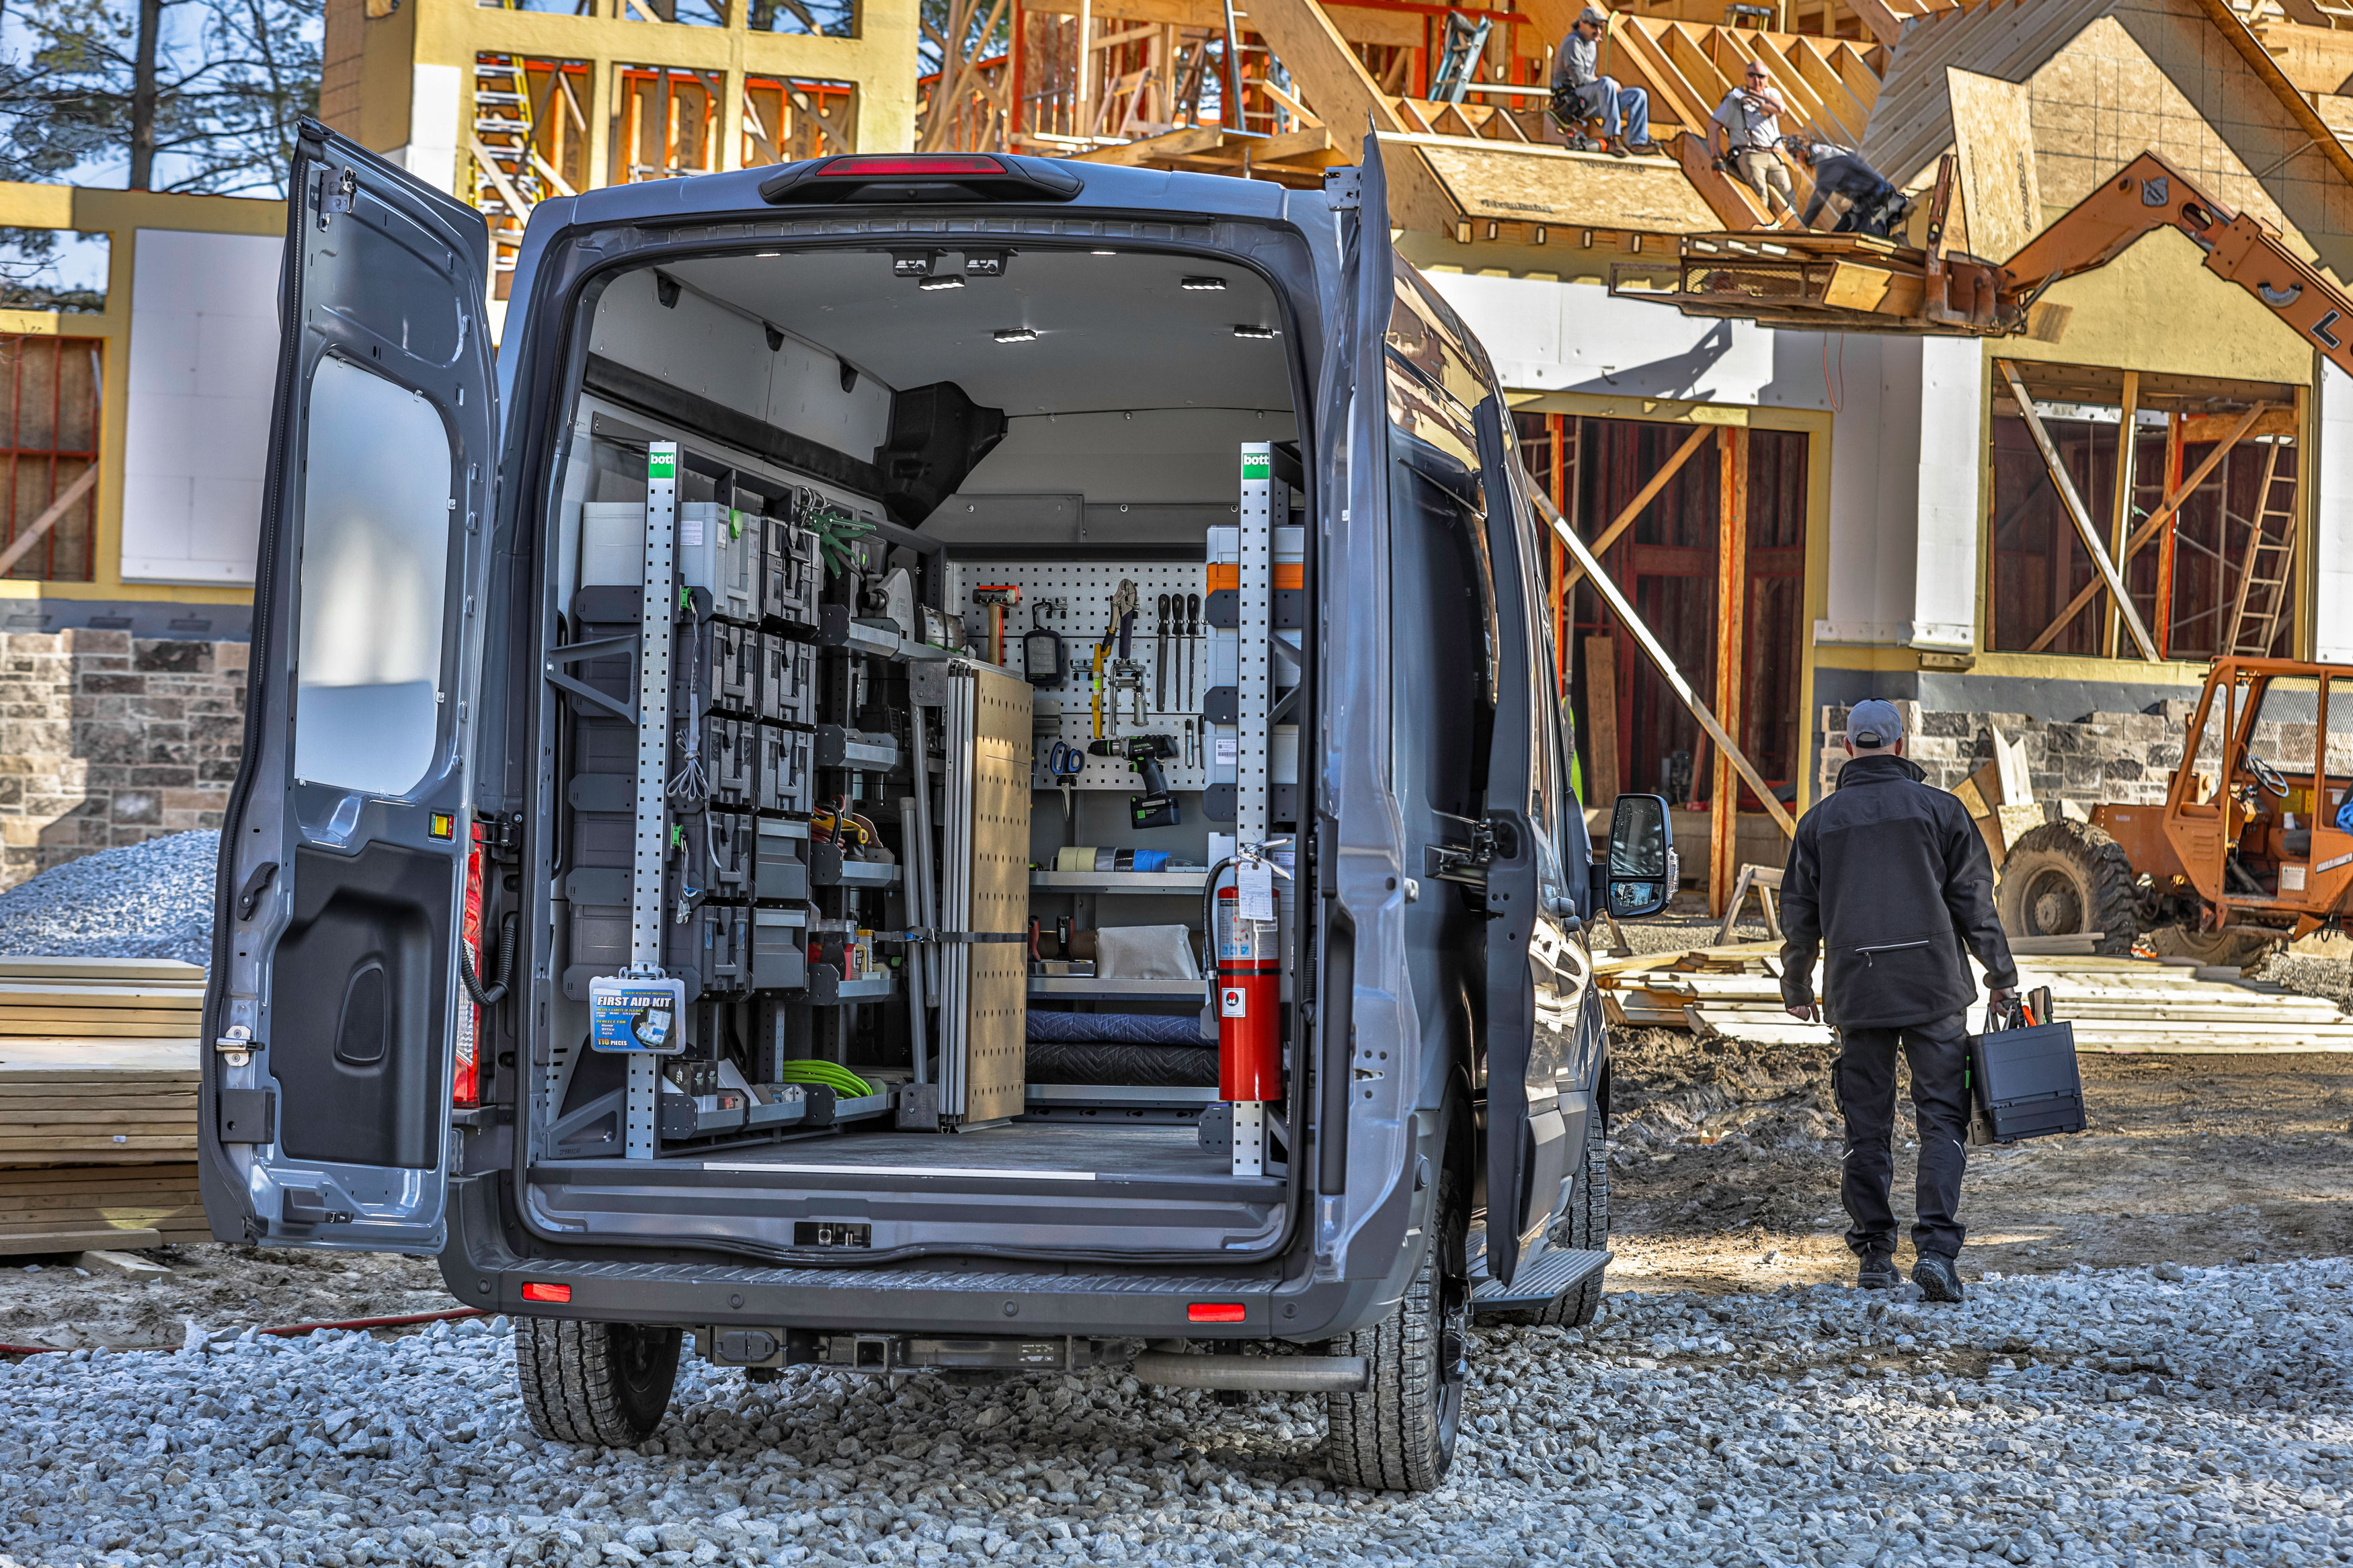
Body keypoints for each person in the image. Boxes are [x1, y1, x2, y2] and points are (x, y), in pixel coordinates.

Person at [1779, 700, 2018, 1304]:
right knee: (1942, 1117)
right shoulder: (1943, 811)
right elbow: (1974, 900)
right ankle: (1936, 1251)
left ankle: (1875, 1255)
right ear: (1901, 742)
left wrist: (1798, 985)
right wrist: (2000, 972)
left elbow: (1799, 918)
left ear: (1848, 745)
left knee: (1867, 1126)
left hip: (1857, 994)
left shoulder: (1818, 823)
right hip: (1935, 988)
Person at [1549, 7, 1654, 158]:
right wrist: (1607, 84)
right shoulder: (1572, 42)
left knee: (1639, 95)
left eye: (1600, 27)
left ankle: (1638, 142)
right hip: (1570, 101)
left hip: (1589, 100)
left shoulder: (1592, 43)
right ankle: (1612, 139)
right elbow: (1579, 80)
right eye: (1594, 26)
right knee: (1606, 83)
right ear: (1581, 24)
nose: (1598, 31)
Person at [1708, 62, 1796, 221]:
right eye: (1752, 75)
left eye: (1761, 76)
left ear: (1767, 78)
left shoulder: (1771, 94)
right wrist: (1716, 156)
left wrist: (1758, 96)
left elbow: (1781, 109)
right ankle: (1760, 235)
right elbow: (1714, 125)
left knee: (1789, 197)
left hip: (1773, 155)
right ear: (1746, 77)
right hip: (1749, 154)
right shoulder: (1734, 99)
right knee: (1760, 195)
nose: (1756, 80)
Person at [1784, 138, 1913, 237]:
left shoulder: (1826, 162)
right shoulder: (1832, 151)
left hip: (1876, 202)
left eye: (1795, 156)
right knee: (1837, 236)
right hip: (1869, 200)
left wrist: (1803, 226)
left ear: (1802, 150)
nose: (1797, 161)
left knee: (1866, 243)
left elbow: (1818, 200)